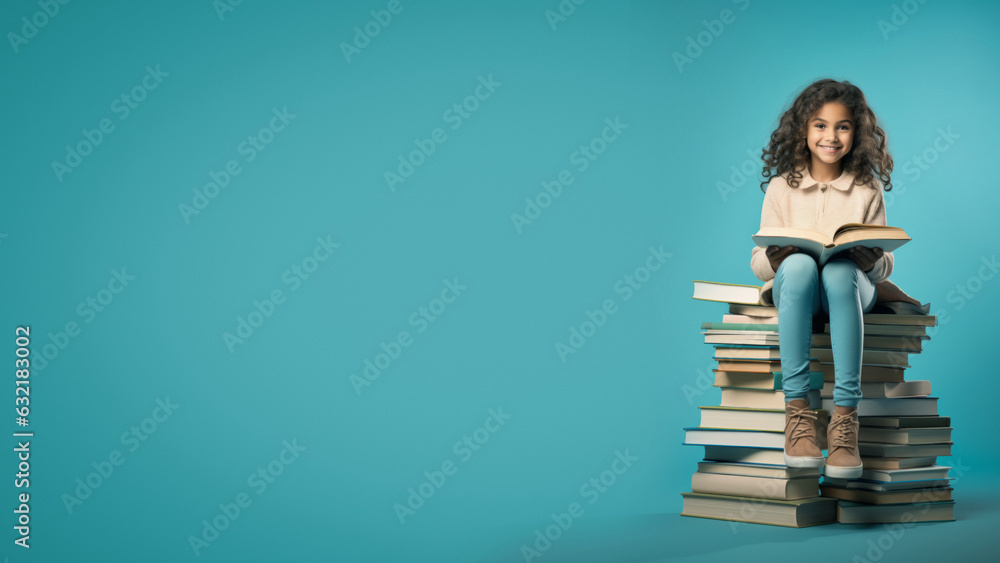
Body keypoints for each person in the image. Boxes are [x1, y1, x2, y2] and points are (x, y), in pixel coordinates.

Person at [750, 79, 895, 479]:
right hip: (798, 289)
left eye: (843, 126)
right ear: (802, 129)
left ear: (857, 133)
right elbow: (759, 261)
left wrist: (872, 260)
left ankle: (845, 422)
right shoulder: (782, 187)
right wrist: (776, 259)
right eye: (820, 125)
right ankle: (798, 417)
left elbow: (884, 264)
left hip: (848, 288)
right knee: (798, 267)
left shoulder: (867, 189)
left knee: (840, 269)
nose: (831, 136)